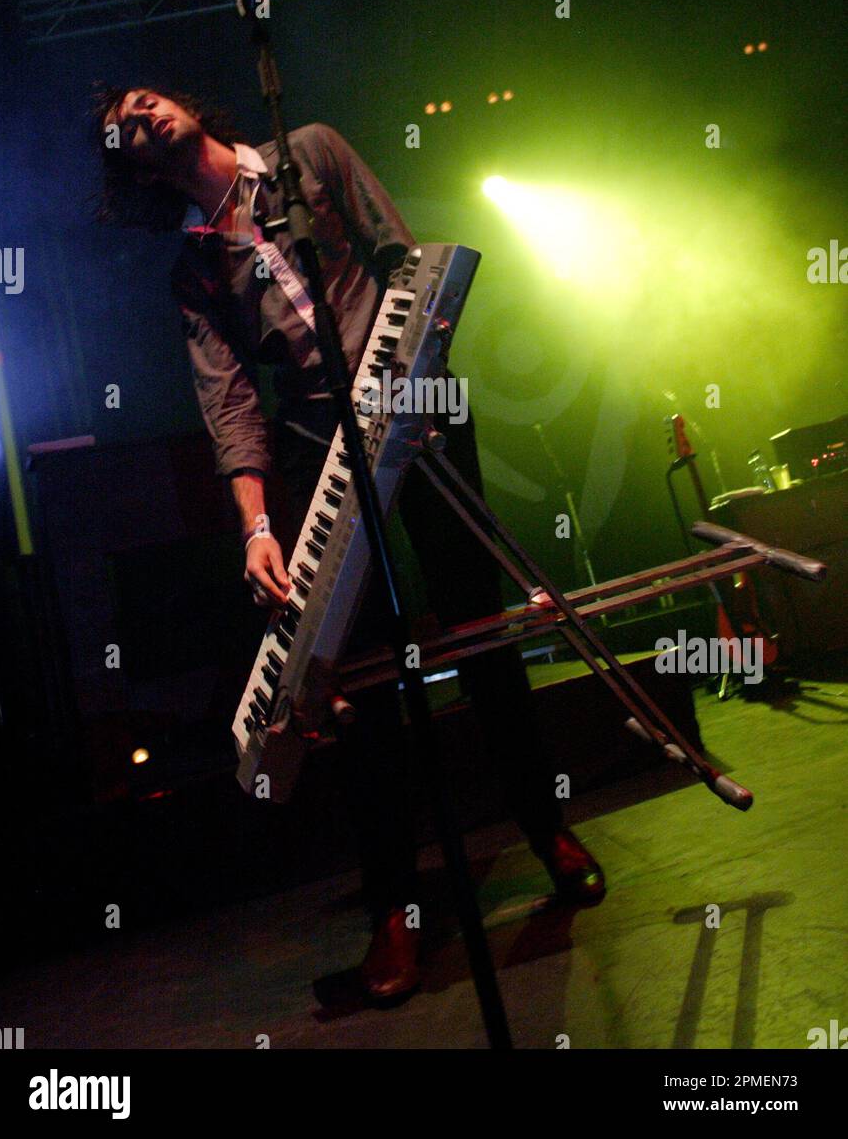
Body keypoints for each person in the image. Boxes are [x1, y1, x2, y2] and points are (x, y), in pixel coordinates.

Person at [91, 83, 606, 1001]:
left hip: (418, 410)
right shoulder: (193, 269)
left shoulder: (311, 152)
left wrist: (421, 379)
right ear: (131, 164)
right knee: (357, 686)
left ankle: (547, 831)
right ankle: (394, 917)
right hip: (316, 449)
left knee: (480, 635)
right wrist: (256, 525)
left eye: (146, 99)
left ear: (187, 104)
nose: (141, 116)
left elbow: (402, 258)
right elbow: (231, 406)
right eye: (124, 126)